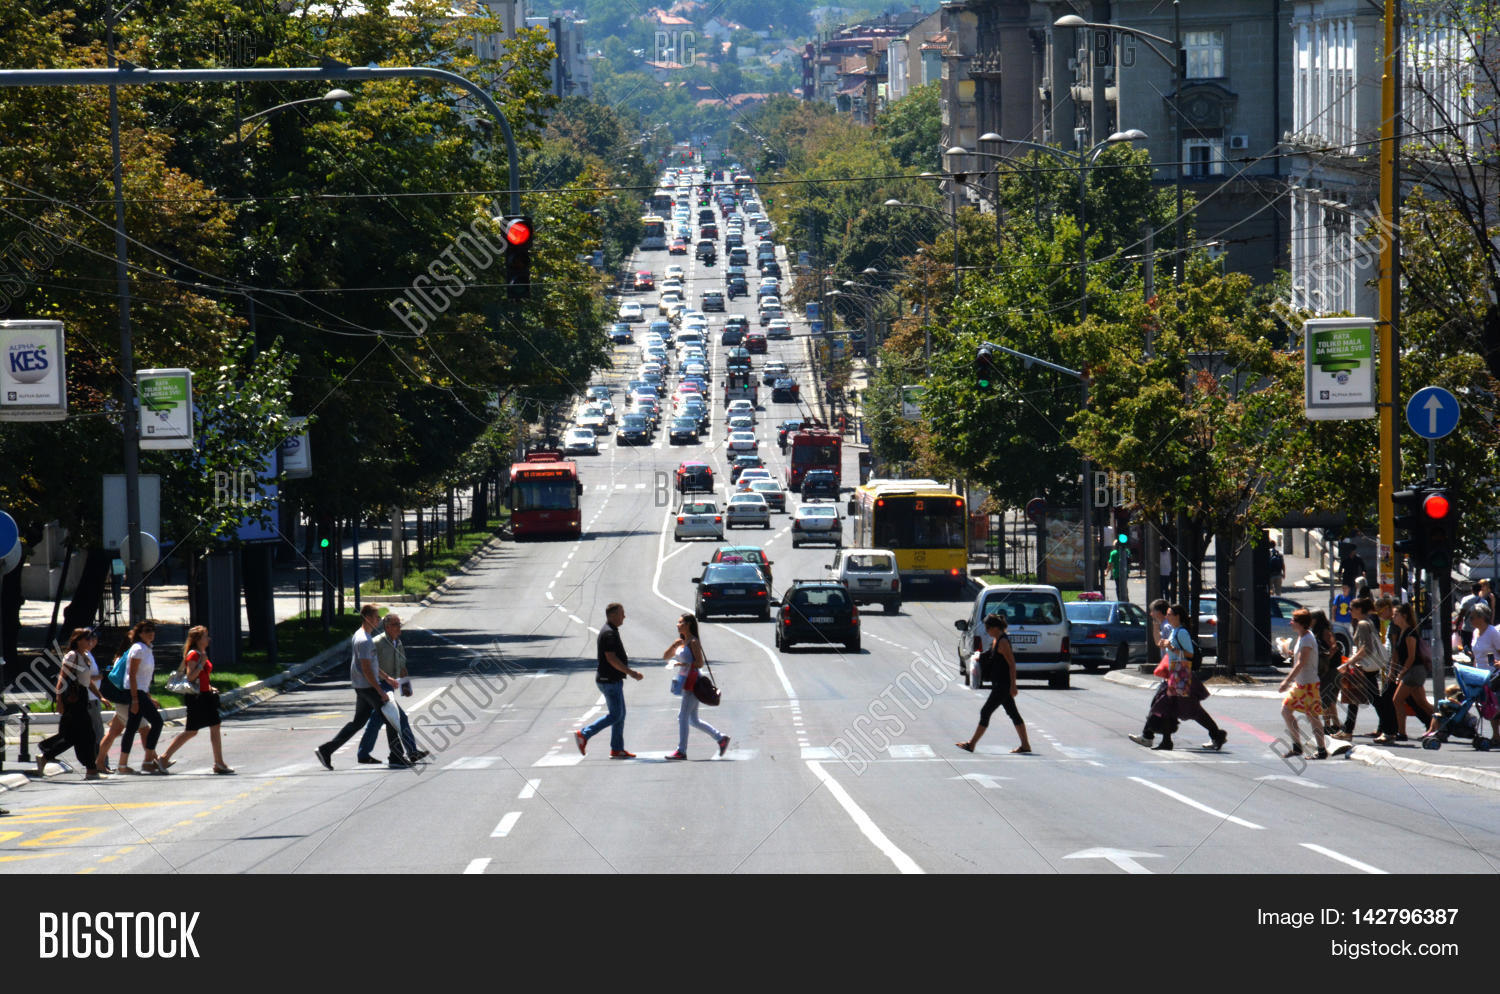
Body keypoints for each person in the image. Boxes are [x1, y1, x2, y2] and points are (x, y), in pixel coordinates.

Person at [314, 604, 411, 770]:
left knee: (357, 723)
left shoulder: (363, 635)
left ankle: (326, 750)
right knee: (391, 717)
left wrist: (386, 678)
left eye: (379, 618)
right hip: (368, 687)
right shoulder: (364, 640)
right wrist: (380, 690)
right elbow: (366, 669)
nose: (378, 620)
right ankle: (396, 756)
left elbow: (371, 665)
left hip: (362, 687)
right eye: (375, 617)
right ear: (366, 618)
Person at [156, 626, 234, 774]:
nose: (208, 639)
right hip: (196, 699)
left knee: (215, 726)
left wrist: (210, 686)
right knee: (191, 731)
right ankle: (164, 758)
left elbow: (202, 677)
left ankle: (219, 763)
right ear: (197, 639)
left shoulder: (201, 653)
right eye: (205, 636)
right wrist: (202, 663)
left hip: (205, 695)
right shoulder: (194, 655)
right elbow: (191, 677)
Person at [355, 613, 428, 765]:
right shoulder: (377, 642)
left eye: (399, 624)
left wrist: (406, 686)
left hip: (388, 687)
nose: (399, 627)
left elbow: (402, 666)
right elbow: (369, 666)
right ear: (387, 627)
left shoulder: (398, 643)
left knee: (377, 720)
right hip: (378, 686)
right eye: (395, 624)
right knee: (399, 718)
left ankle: (363, 753)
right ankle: (411, 752)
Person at [956, 614, 1032, 754]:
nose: (987, 631)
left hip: (1002, 685)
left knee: (985, 711)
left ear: (996, 628)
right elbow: (990, 655)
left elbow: (1012, 664)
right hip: (999, 683)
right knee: (1013, 713)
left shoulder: (1003, 642)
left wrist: (1013, 686)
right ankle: (1025, 745)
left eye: (988, 628)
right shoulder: (997, 640)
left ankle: (971, 744)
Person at [576, 603, 644, 758]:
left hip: (612, 680)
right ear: (613, 615)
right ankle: (584, 734)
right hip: (609, 680)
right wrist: (631, 673)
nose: (624, 616)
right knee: (615, 715)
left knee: (620, 714)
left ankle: (617, 749)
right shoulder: (609, 634)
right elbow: (611, 658)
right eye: (622, 613)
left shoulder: (611, 631)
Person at [36, 628, 102, 780]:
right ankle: (91, 769)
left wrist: (100, 697)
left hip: (82, 695)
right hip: (73, 698)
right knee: (87, 735)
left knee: (74, 736)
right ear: (78, 640)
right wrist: (59, 701)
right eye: (86, 639)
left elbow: (87, 681)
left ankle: (46, 755)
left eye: (90, 639)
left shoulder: (85, 656)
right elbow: (61, 679)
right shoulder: (72, 656)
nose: (90, 641)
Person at [663, 613, 729, 760]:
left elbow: (699, 663)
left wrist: (683, 664)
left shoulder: (693, 641)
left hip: (693, 681)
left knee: (682, 717)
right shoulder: (681, 642)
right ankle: (721, 738)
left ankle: (681, 751)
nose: (677, 625)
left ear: (688, 625)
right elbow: (665, 656)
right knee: (693, 720)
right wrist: (674, 646)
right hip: (684, 680)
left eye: (680, 623)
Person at [1279, 609, 1329, 759]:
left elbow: (1301, 663)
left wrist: (1286, 681)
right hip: (1300, 684)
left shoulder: (1307, 639)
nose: (1290, 622)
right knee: (1286, 712)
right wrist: (1288, 653)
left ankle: (1321, 750)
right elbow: (1300, 658)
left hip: (1308, 685)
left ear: (1301, 623)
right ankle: (1297, 747)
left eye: (1293, 620)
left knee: (1313, 717)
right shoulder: (1302, 637)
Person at [120, 620, 168, 775]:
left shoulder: (148, 648)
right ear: (139, 633)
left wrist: (148, 696)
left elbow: (143, 678)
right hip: (135, 692)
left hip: (141, 692)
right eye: (147, 630)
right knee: (157, 722)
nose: (151, 633)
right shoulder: (138, 649)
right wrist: (135, 699)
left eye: (153, 630)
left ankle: (124, 764)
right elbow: (132, 675)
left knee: (132, 728)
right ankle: (147, 761)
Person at [1382, 602, 1435, 743]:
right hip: (1412, 671)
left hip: (1414, 671)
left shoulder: (1410, 633)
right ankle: (1440, 722)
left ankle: (1401, 733)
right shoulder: (1401, 632)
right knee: (1422, 703)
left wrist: (1401, 673)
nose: (1393, 617)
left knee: (1397, 700)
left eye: (1396, 615)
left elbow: (1411, 657)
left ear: (1404, 616)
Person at [1333, 596, 1384, 740]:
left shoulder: (1362, 623)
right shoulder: (1366, 622)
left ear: (1359, 609)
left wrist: (1349, 662)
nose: (1349, 611)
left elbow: (1366, 648)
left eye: (1351, 608)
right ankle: (1348, 730)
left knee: (1372, 699)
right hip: (1365, 666)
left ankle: (1387, 728)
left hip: (1365, 666)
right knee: (1355, 698)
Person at [1468, 604, 1500, 745]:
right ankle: (1496, 735)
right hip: (1480, 675)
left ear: (1482, 618)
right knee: (1487, 704)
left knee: (1495, 703)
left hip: (1494, 674)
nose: (1470, 620)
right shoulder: (1476, 632)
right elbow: (1476, 654)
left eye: (1472, 617)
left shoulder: (1492, 632)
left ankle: (1496, 735)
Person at [1311, 610, 1343, 737]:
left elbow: (1334, 647)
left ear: (1317, 619)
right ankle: (1335, 725)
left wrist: (1326, 659)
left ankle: (1328, 726)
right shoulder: (1319, 631)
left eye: (1311, 618)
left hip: (1330, 669)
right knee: (1330, 699)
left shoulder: (1324, 631)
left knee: (1325, 697)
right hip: (1330, 668)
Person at [1454, 581, 1483, 654]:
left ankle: (1470, 658)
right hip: (1479, 629)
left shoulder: (1466, 599)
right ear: (1480, 590)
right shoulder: (1484, 602)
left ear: (1471, 589)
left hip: (1467, 628)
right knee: (1478, 647)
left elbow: (1461, 614)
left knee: (1466, 647)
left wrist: (1457, 626)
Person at [1107, 534, 1130, 602]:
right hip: (1125, 572)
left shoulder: (1113, 553)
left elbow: (1110, 563)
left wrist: (1107, 571)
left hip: (1117, 573)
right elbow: (1129, 560)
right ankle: (1126, 599)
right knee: (1124, 587)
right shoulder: (1126, 551)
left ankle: (1120, 600)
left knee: (1118, 587)